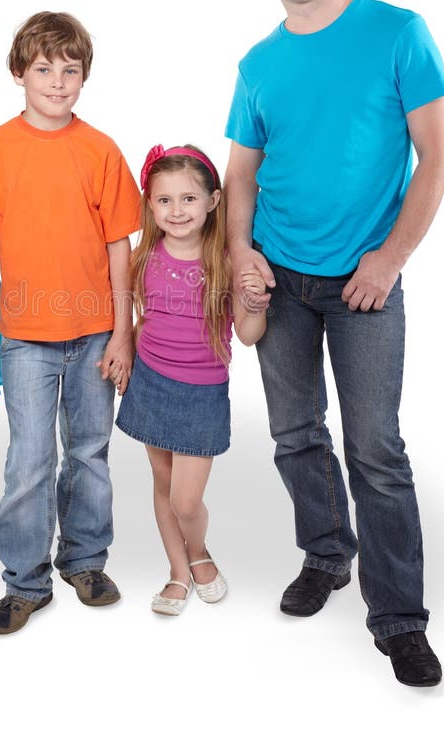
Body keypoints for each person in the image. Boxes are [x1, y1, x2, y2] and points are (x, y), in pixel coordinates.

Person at [223, 0, 444, 686]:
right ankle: (326, 555)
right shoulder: (258, 63)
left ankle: (397, 619)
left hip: (364, 282)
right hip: (279, 279)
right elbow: (240, 175)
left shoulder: (397, 32)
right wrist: (241, 252)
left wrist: (388, 260)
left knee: (376, 451)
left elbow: (438, 157)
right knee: (295, 435)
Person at [0, 11, 141, 635]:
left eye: (70, 70)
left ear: (84, 77)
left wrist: (121, 332)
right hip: (26, 335)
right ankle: (23, 583)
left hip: (92, 335)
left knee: (89, 453)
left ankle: (84, 560)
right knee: (29, 460)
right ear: (18, 73)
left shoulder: (100, 150)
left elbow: (119, 247)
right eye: (43, 69)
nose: (57, 83)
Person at [116, 144, 266, 615]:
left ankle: (199, 551)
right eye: (164, 200)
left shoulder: (226, 261)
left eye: (188, 199)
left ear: (213, 201)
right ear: (150, 205)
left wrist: (256, 305)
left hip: (202, 392)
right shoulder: (144, 256)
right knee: (162, 484)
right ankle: (178, 571)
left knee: (185, 499)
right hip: (151, 383)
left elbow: (246, 335)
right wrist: (126, 353)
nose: (176, 210)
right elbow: (146, 320)